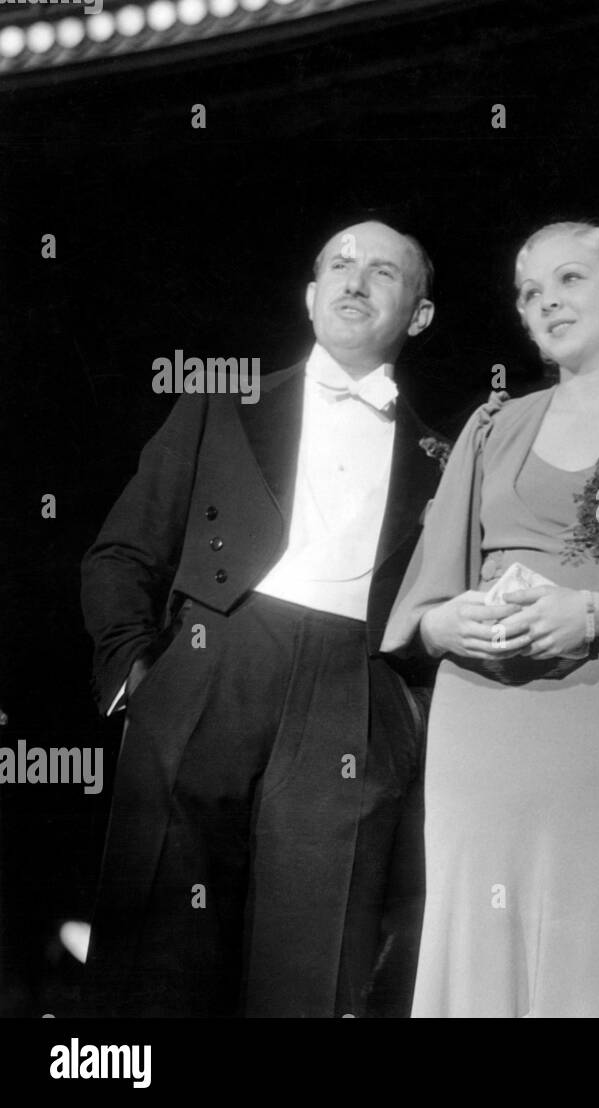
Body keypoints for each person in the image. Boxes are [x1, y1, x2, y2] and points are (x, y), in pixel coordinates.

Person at [80, 220, 449, 1017]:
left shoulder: (445, 458)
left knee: (310, 972)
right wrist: (145, 682)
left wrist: (402, 718)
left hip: (355, 694)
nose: (354, 281)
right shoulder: (223, 401)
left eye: (383, 272)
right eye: (339, 265)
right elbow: (120, 553)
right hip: (214, 666)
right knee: (159, 965)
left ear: (418, 314)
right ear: (312, 293)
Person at [382, 221, 599, 1017]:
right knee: (477, 935)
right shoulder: (492, 426)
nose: (547, 303)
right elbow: (424, 604)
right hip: (480, 728)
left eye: (570, 280)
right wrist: (448, 627)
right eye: (531, 292)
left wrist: (594, 613)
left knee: (594, 922)